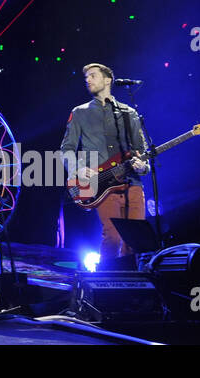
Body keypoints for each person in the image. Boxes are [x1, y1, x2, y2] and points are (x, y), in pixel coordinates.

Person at [60, 62, 149, 260]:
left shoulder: (129, 113)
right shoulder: (80, 113)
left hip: (132, 183)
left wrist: (143, 166)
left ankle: (133, 287)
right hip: (103, 183)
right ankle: (105, 283)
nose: (88, 80)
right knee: (113, 237)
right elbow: (66, 149)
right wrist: (78, 169)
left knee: (135, 243)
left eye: (93, 75)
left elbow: (141, 151)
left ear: (108, 80)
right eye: (86, 78)